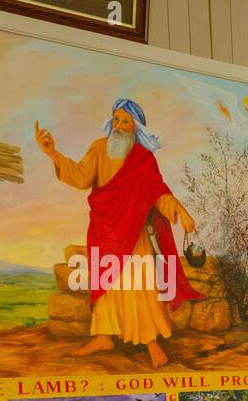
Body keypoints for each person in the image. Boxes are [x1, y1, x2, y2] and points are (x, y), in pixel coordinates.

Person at [35, 99, 201, 369]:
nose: (119, 126)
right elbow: (79, 177)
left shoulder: (143, 159)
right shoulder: (99, 148)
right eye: (116, 120)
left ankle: (152, 344)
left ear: (136, 128)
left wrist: (182, 213)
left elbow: (158, 192)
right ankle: (103, 337)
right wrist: (53, 153)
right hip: (105, 230)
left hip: (135, 234)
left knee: (141, 288)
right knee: (106, 287)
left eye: (126, 122)